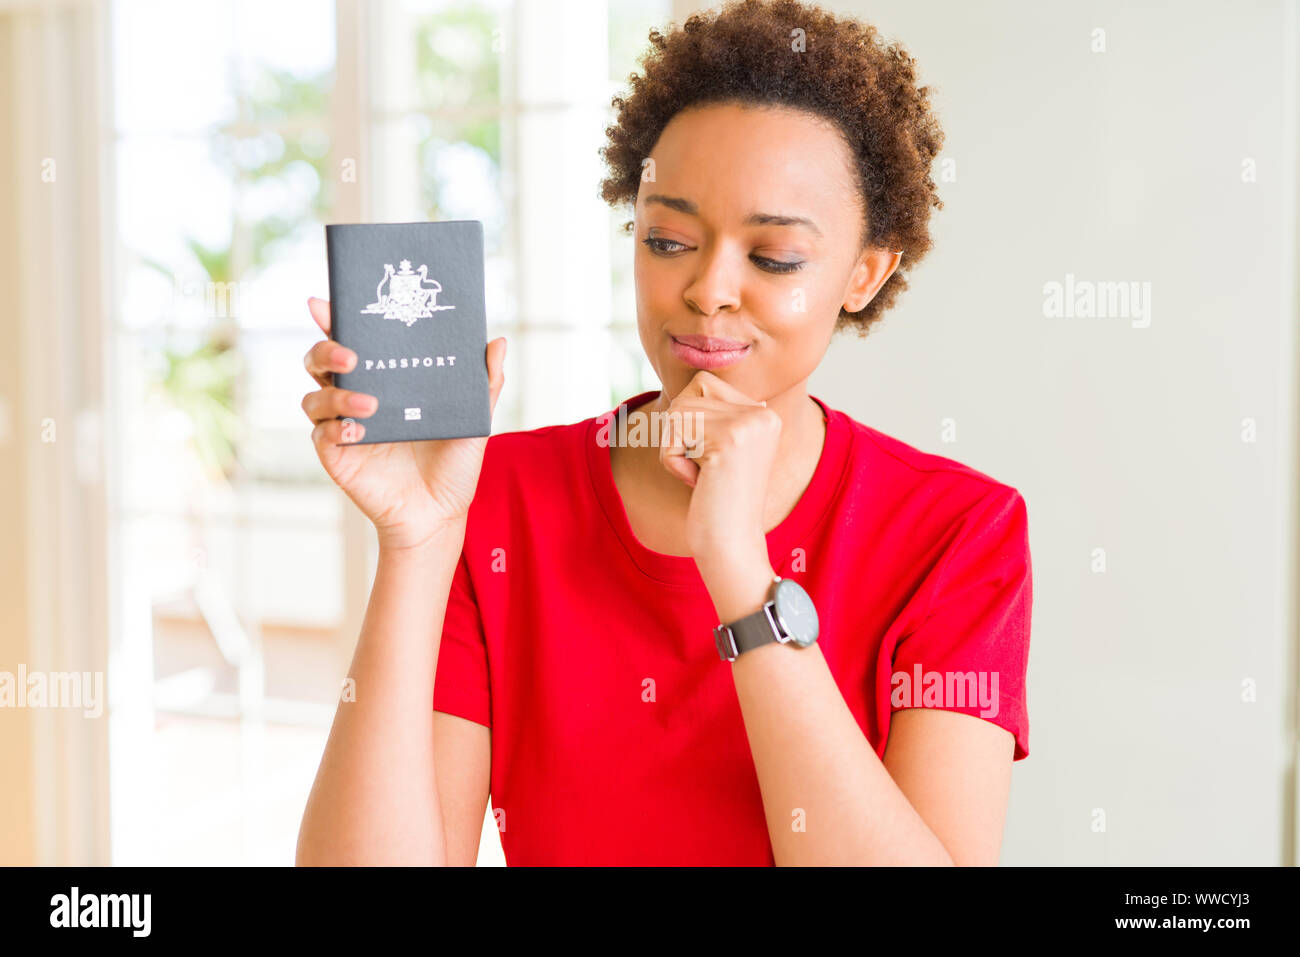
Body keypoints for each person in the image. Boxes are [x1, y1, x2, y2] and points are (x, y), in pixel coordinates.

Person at [295, 0, 1032, 866]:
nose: (709, 288)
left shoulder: (960, 532)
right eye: (668, 239)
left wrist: (739, 569)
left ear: (865, 274)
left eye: (774, 257)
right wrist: (418, 544)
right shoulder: (499, 500)